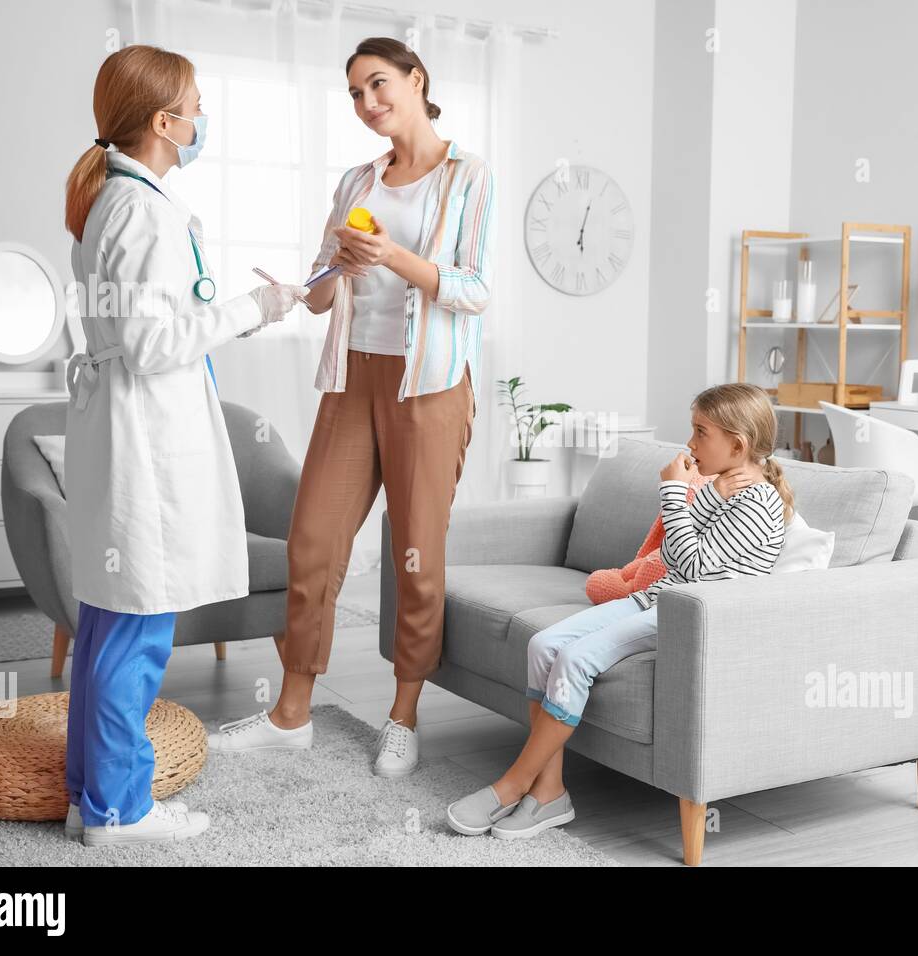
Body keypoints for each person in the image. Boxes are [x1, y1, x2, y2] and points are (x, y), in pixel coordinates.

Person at [209, 37, 496, 780]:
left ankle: (403, 716)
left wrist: (395, 258)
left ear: (415, 79)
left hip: (428, 385)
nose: (369, 105)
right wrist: (326, 268)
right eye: (356, 95)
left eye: (378, 86)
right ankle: (292, 713)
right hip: (351, 379)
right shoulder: (356, 179)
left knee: (416, 557)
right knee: (313, 544)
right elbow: (321, 292)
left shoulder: (469, 177)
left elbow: (473, 290)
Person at [63, 44, 307, 846]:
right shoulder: (139, 210)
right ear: (164, 123)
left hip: (129, 429)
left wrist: (261, 304)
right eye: (196, 107)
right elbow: (152, 342)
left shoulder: (128, 201)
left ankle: (92, 794)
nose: (204, 119)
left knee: (112, 620)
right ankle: (118, 811)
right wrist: (255, 307)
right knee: (135, 627)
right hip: (142, 438)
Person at [446, 383, 795, 839]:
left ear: (738, 444)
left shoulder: (759, 502)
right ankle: (549, 794)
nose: (689, 443)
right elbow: (673, 555)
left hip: (690, 616)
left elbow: (690, 564)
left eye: (700, 432)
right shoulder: (725, 488)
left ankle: (512, 785)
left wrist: (674, 489)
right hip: (658, 599)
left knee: (575, 658)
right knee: (543, 644)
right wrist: (701, 494)